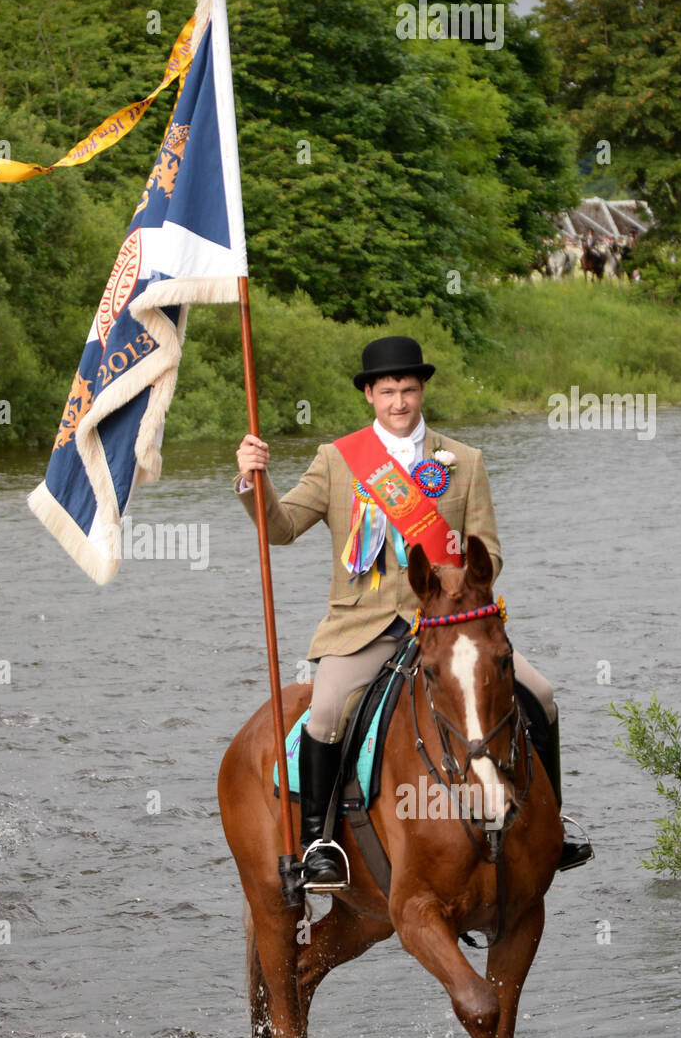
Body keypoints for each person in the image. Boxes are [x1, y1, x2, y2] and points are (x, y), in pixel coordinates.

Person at [235, 335, 590, 887]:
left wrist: (450, 578)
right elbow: (280, 529)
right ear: (370, 397)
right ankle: (319, 843)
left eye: (407, 390)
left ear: (421, 391)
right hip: (364, 625)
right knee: (326, 711)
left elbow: (489, 552)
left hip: (446, 624)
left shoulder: (463, 461)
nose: (398, 402)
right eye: (387, 392)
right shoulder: (337, 461)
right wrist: (253, 479)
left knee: (540, 695)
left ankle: (554, 824)